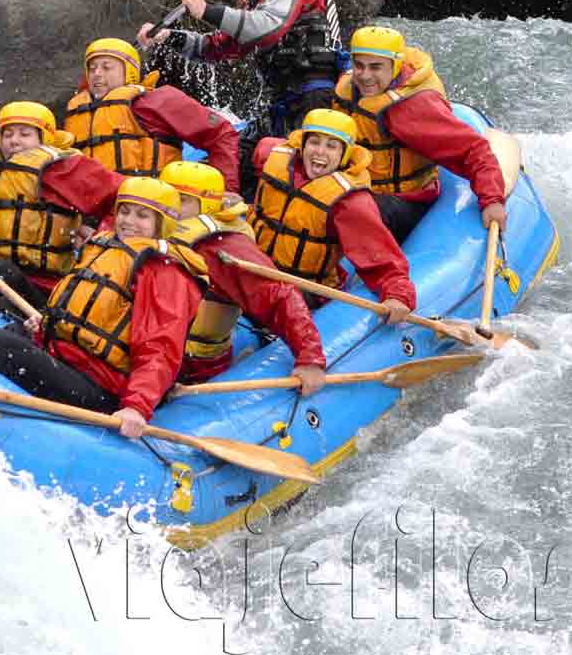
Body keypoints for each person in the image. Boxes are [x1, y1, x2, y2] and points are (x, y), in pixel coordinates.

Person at [0, 177, 205, 439]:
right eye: (124, 211)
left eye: (142, 216)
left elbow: (160, 347)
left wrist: (136, 407)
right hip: (60, 355)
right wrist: (45, 329)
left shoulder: (164, 271)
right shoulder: (106, 245)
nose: (129, 221)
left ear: (162, 223)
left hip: (99, 386)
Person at [136, 0, 342, 144]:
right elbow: (220, 47)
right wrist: (169, 36)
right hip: (286, 97)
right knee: (241, 157)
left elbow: (267, 28)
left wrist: (206, 11)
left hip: (315, 97)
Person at [160, 161, 328, 396]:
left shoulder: (223, 247)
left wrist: (310, 357)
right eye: (166, 199)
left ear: (207, 205)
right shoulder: (150, 228)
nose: (170, 208)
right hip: (151, 357)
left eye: (182, 201)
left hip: (192, 366)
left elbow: (278, 295)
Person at [332, 26, 507, 244]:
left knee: (355, 212)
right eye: (359, 66)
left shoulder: (411, 109)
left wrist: (492, 200)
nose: (365, 75)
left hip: (404, 201)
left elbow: (473, 149)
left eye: (375, 67)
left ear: (395, 66)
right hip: (358, 186)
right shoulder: (349, 88)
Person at [250, 109, 416, 324]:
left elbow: (380, 257)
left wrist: (398, 294)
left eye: (331, 146)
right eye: (314, 142)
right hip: (253, 265)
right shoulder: (272, 155)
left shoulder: (350, 202)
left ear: (344, 154)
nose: (320, 152)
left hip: (301, 286)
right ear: (301, 145)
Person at [0, 100, 125, 313]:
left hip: (40, 284)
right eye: (8, 134)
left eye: (24, 134)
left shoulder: (61, 168)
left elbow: (124, 193)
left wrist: (100, 235)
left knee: (2, 271)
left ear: (44, 138)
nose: (14, 141)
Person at [63, 37, 240, 192]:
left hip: (153, 207)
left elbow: (221, 133)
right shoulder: (78, 111)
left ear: (129, 72)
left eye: (107, 67)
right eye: (92, 69)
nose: (97, 74)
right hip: (100, 215)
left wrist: (225, 190)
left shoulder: (155, 100)